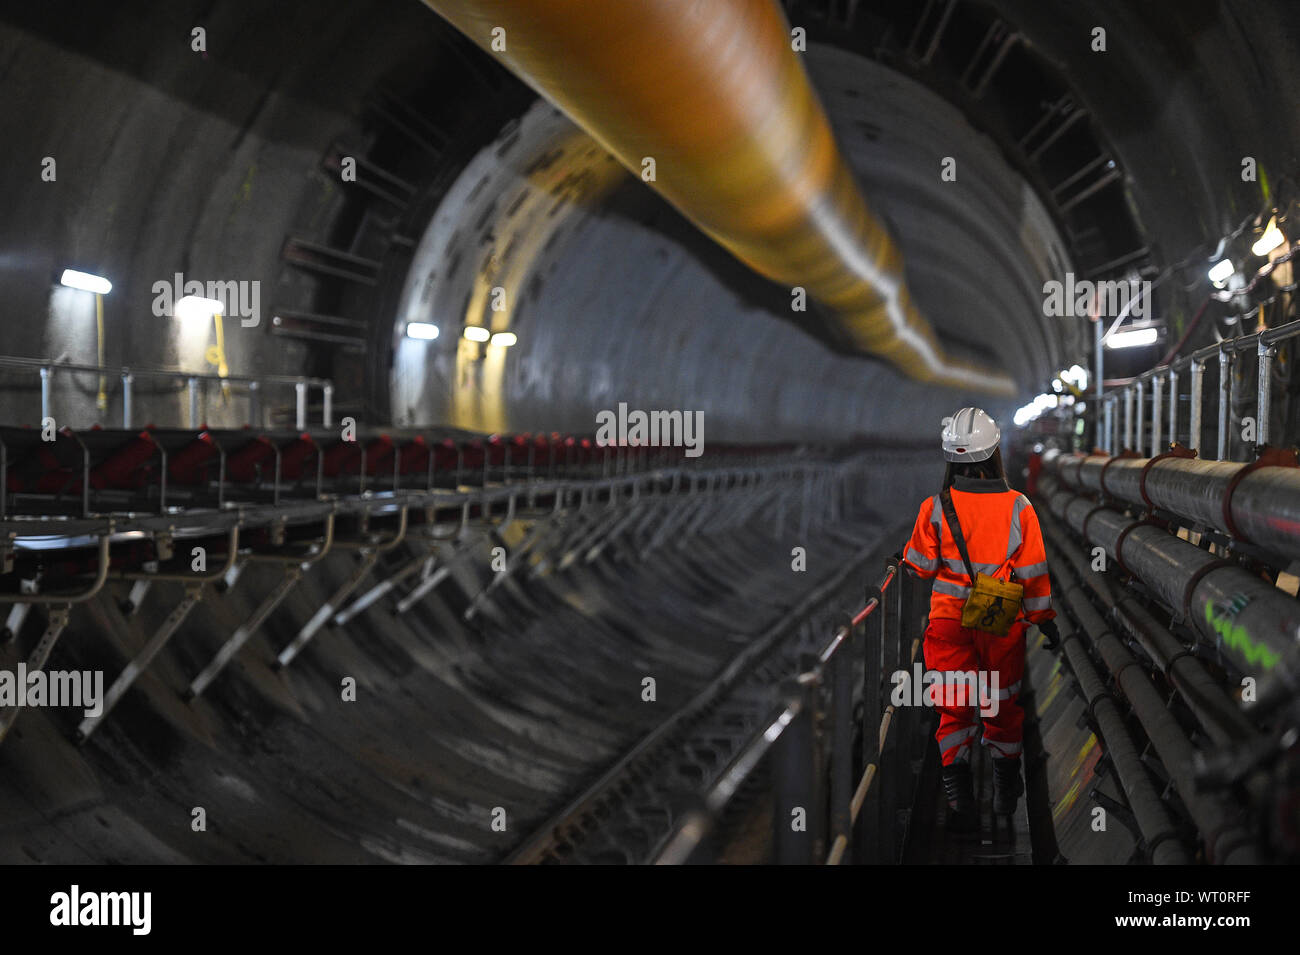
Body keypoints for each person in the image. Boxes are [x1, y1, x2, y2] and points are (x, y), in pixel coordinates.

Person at [898, 408, 1058, 830]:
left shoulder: (935, 508)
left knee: (954, 706)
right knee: (1001, 701)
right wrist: (1043, 619)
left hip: (950, 623)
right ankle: (1006, 787)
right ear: (994, 453)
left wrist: (901, 558)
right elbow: (1033, 573)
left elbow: (918, 566)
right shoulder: (1019, 507)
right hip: (998, 619)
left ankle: (958, 793)